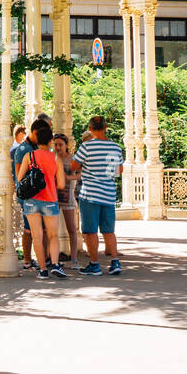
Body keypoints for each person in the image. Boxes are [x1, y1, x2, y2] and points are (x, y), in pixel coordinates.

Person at [70, 114, 124, 275]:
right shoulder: (115, 147)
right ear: (106, 128)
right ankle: (115, 262)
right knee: (108, 230)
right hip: (108, 193)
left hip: (90, 194)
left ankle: (94, 265)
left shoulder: (86, 147)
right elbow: (119, 171)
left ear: (90, 129)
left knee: (90, 231)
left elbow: (74, 165)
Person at [15, 119, 66, 280]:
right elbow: (62, 184)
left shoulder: (29, 156)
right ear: (50, 141)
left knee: (36, 236)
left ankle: (42, 270)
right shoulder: (55, 158)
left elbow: (19, 177)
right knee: (53, 235)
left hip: (31, 201)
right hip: (50, 199)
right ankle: (56, 264)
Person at [12, 122, 37, 270]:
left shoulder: (36, 147)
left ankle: (42, 259)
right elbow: (18, 174)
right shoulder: (22, 149)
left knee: (40, 229)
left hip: (38, 194)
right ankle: (27, 260)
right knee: (28, 229)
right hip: (27, 194)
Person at [52, 133, 79, 267]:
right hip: (53, 196)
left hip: (68, 195)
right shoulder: (52, 158)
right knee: (53, 229)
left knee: (72, 229)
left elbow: (81, 174)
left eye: (60, 144)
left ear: (66, 145)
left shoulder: (72, 159)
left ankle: (74, 259)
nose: (58, 147)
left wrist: (68, 178)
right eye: (55, 144)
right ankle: (53, 258)